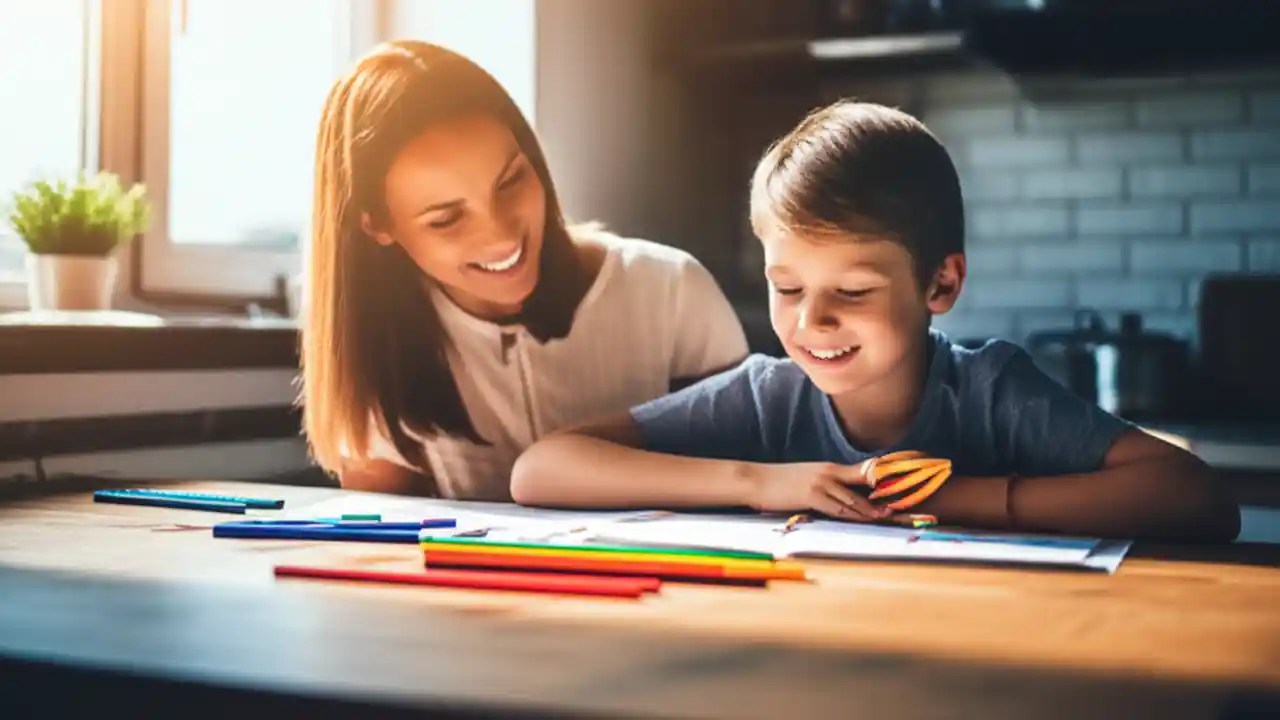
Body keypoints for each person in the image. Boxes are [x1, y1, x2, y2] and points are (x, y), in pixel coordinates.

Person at [510, 101, 1239, 542]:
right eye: (786, 286)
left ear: (940, 283)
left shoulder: (989, 390)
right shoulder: (767, 397)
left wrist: (961, 499)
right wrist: (762, 483)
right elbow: (539, 471)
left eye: (852, 292)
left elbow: (1196, 497)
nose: (812, 319)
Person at [301, 41, 747, 500]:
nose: (500, 236)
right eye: (446, 218)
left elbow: (749, 479)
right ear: (377, 225)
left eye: (511, 180)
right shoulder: (372, 337)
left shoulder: (671, 290)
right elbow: (384, 540)